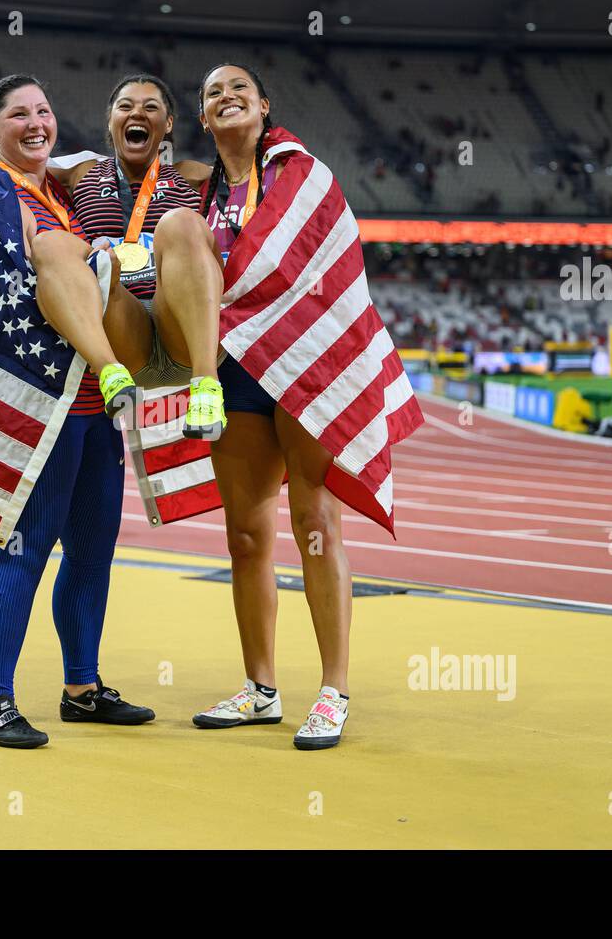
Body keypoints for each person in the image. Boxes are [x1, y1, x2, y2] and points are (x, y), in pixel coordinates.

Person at [0, 74, 153, 749]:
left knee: (94, 552)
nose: (36, 123)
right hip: (45, 405)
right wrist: (84, 257)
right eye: (20, 114)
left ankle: (82, 688)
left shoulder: (61, 191)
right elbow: (8, 294)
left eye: (44, 111)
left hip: (96, 402)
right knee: (23, 550)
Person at [186, 64, 424, 750]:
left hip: (309, 358)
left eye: (240, 89)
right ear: (203, 118)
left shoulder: (302, 174)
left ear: (264, 107)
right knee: (246, 533)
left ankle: (333, 691)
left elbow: (330, 264)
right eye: (212, 94)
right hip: (235, 368)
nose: (226, 97)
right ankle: (260, 690)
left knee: (315, 517)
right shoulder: (200, 196)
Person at [51, 74, 227, 434]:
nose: (138, 114)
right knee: (62, 247)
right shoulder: (78, 173)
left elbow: (256, 180)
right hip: (120, 332)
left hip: (185, 332)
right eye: (126, 106)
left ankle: (207, 388)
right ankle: (109, 373)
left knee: (180, 223)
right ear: (110, 120)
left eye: (151, 107)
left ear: (168, 124)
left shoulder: (192, 176)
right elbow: (13, 166)